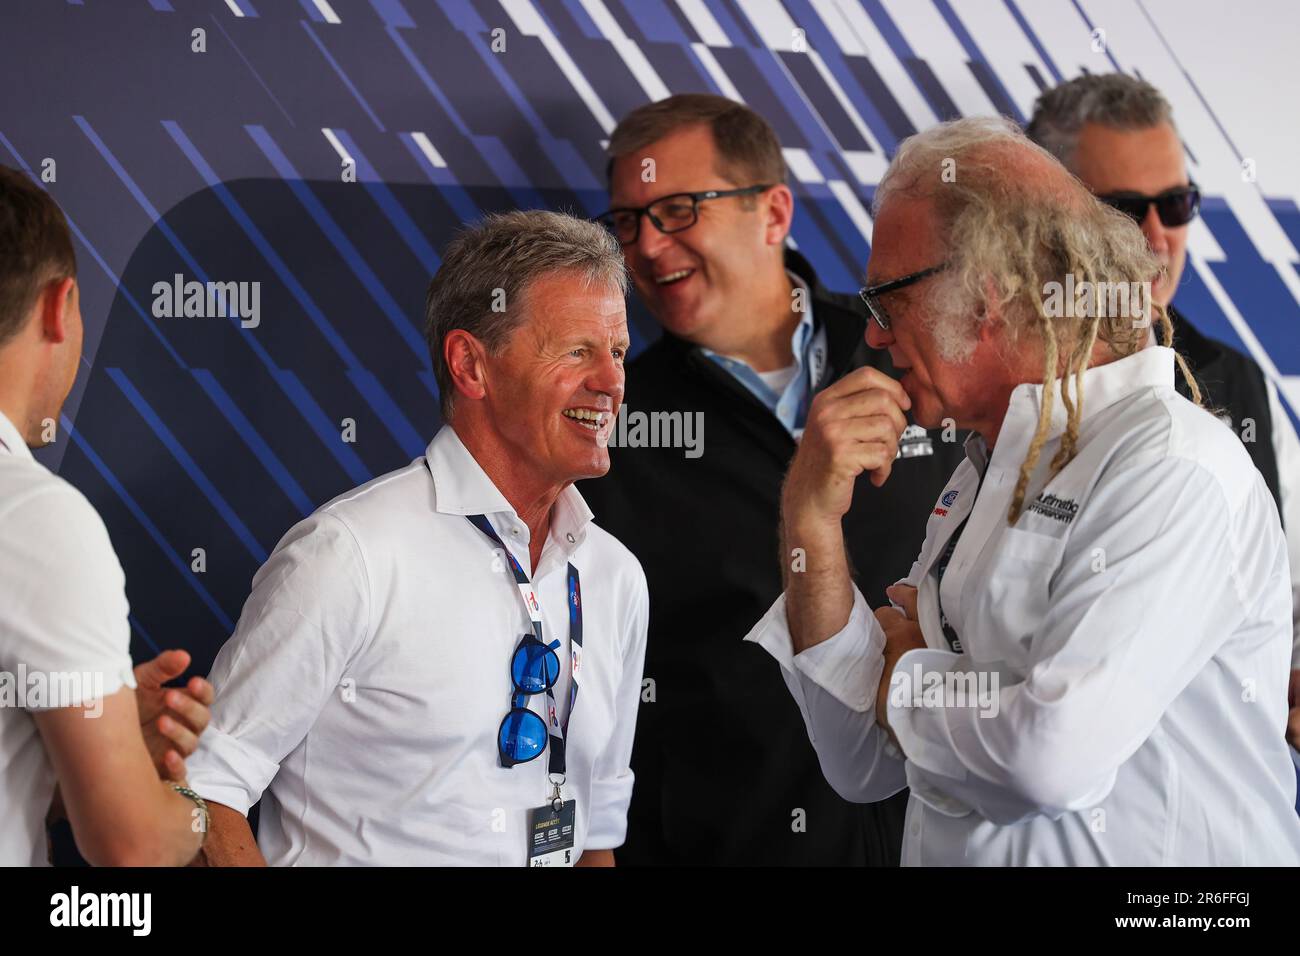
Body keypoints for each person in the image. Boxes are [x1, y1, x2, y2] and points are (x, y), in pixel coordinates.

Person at [746, 117, 1300, 864]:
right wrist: (810, 522)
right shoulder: (988, 467)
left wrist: (907, 673)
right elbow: (861, 763)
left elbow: (1049, 759)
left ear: (988, 300)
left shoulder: (1171, 465)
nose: (873, 336)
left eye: (887, 300)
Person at [187, 210, 648, 866]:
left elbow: (593, 831)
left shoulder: (616, 576)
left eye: (618, 351)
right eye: (577, 351)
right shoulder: (348, 554)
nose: (611, 382)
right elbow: (205, 789)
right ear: (470, 365)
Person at [580, 94, 964, 864]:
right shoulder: (607, 423)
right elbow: (590, 695)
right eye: (627, 222)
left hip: (954, 836)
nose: (648, 248)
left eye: (680, 210)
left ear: (774, 212)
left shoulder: (917, 352)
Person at [1026, 73, 1300, 758]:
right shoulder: (969, 388)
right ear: (1036, 217)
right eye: (1122, 207)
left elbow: (1287, 588)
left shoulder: (1238, 382)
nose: (1156, 235)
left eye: (1175, 204)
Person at [0, 164, 214, 866]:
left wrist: (97, 752)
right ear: (60, 307)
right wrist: (187, 804)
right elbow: (131, 847)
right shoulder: (35, 520)